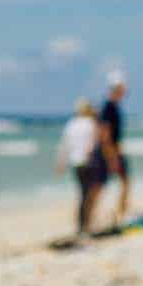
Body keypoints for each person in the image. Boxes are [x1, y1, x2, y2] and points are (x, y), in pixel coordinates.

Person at [55, 98, 102, 235]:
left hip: (75, 163)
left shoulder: (71, 124)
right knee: (88, 194)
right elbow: (92, 144)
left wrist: (61, 163)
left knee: (82, 193)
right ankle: (85, 225)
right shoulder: (90, 123)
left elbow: (65, 145)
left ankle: (81, 225)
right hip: (88, 162)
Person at [99, 70, 129, 225]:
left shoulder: (115, 106)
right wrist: (112, 157)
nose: (125, 91)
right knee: (101, 187)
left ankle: (120, 214)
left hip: (116, 151)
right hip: (110, 153)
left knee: (124, 182)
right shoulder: (108, 107)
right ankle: (111, 217)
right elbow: (105, 134)